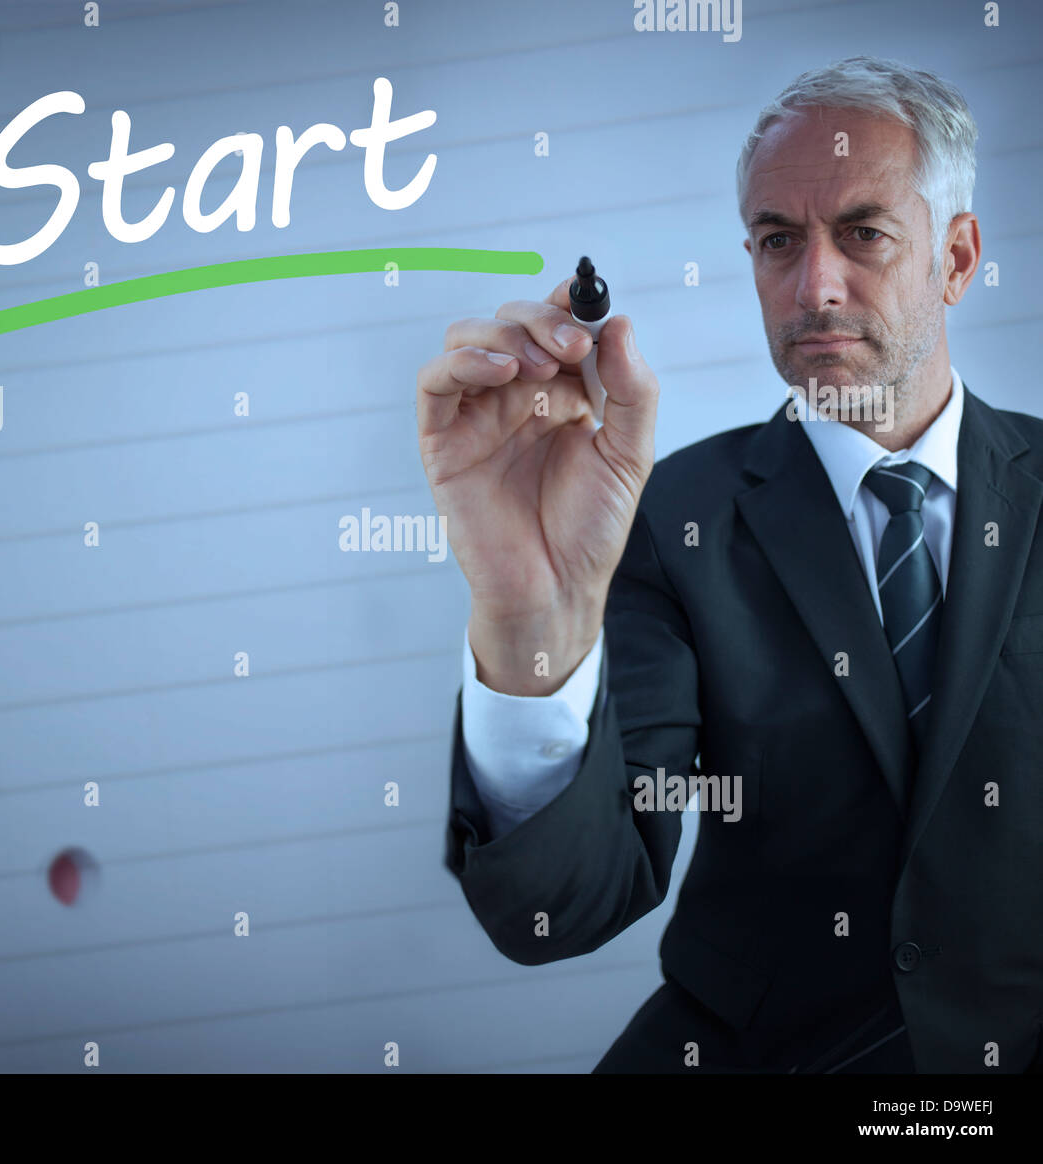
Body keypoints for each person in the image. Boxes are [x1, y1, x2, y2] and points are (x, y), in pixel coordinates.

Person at [415, 56, 1043, 1073]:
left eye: (864, 234)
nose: (813, 286)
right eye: (777, 242)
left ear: (958, 259)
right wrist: (527, 612)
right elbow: (557, 909)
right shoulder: (669, 521)